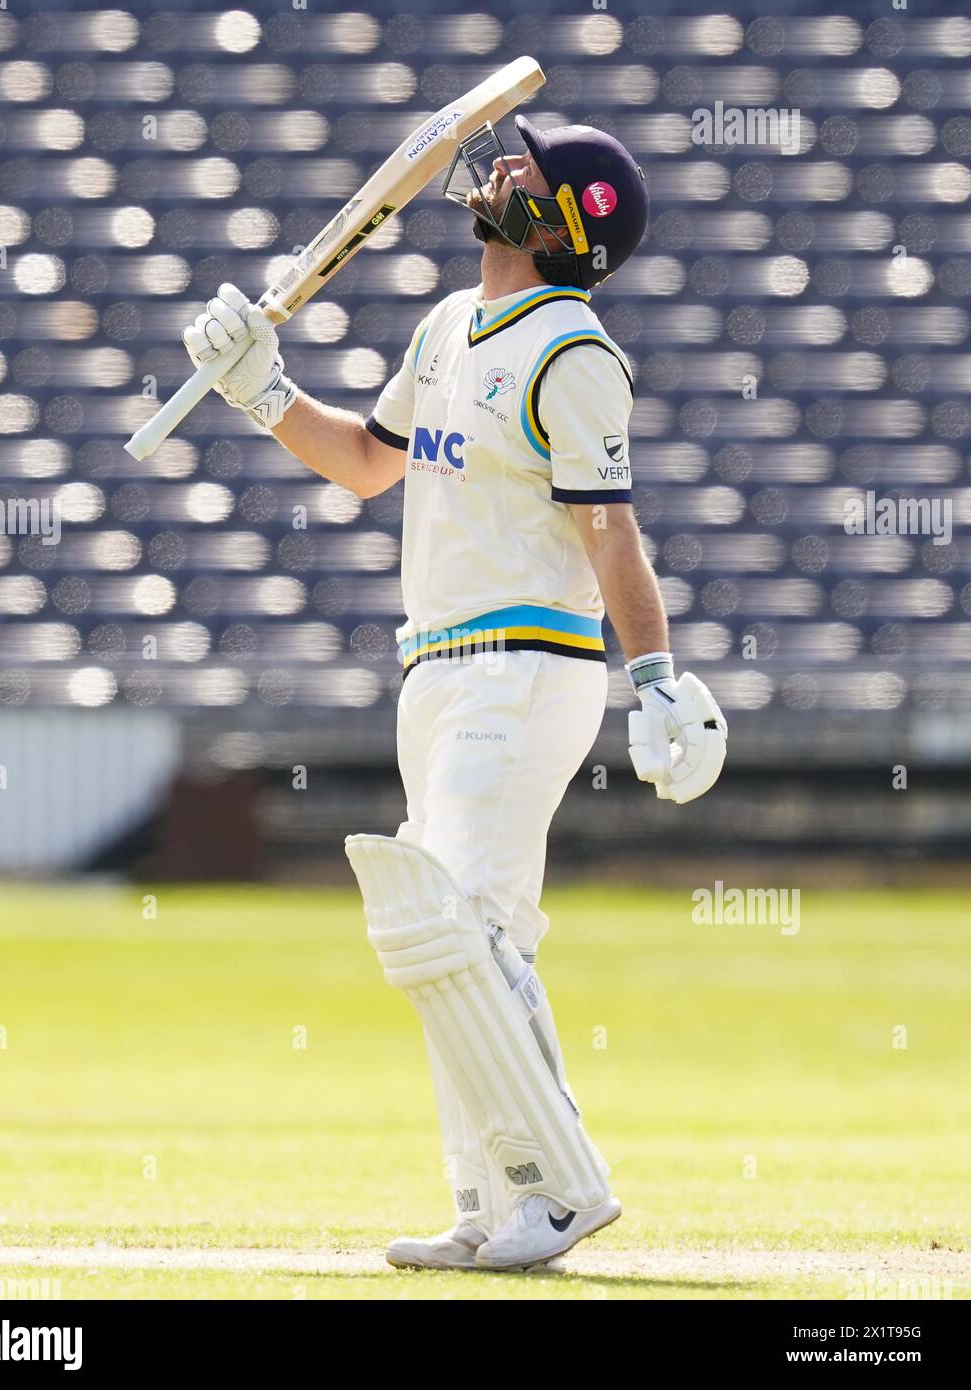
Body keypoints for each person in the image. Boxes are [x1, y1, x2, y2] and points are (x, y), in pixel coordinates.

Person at [182, 115, 727, 1272]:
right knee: (444, 939)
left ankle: (559, 1188)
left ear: (564, 223)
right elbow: (367, 463)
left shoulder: (570, 350)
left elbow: (610, 531)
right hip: (432, 667)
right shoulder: (443, 327)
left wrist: (654, 678)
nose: (503, 168)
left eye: (530, 168)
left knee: (460, 929)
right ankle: (487, 1200)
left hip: (523, 666)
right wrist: (259, 390)